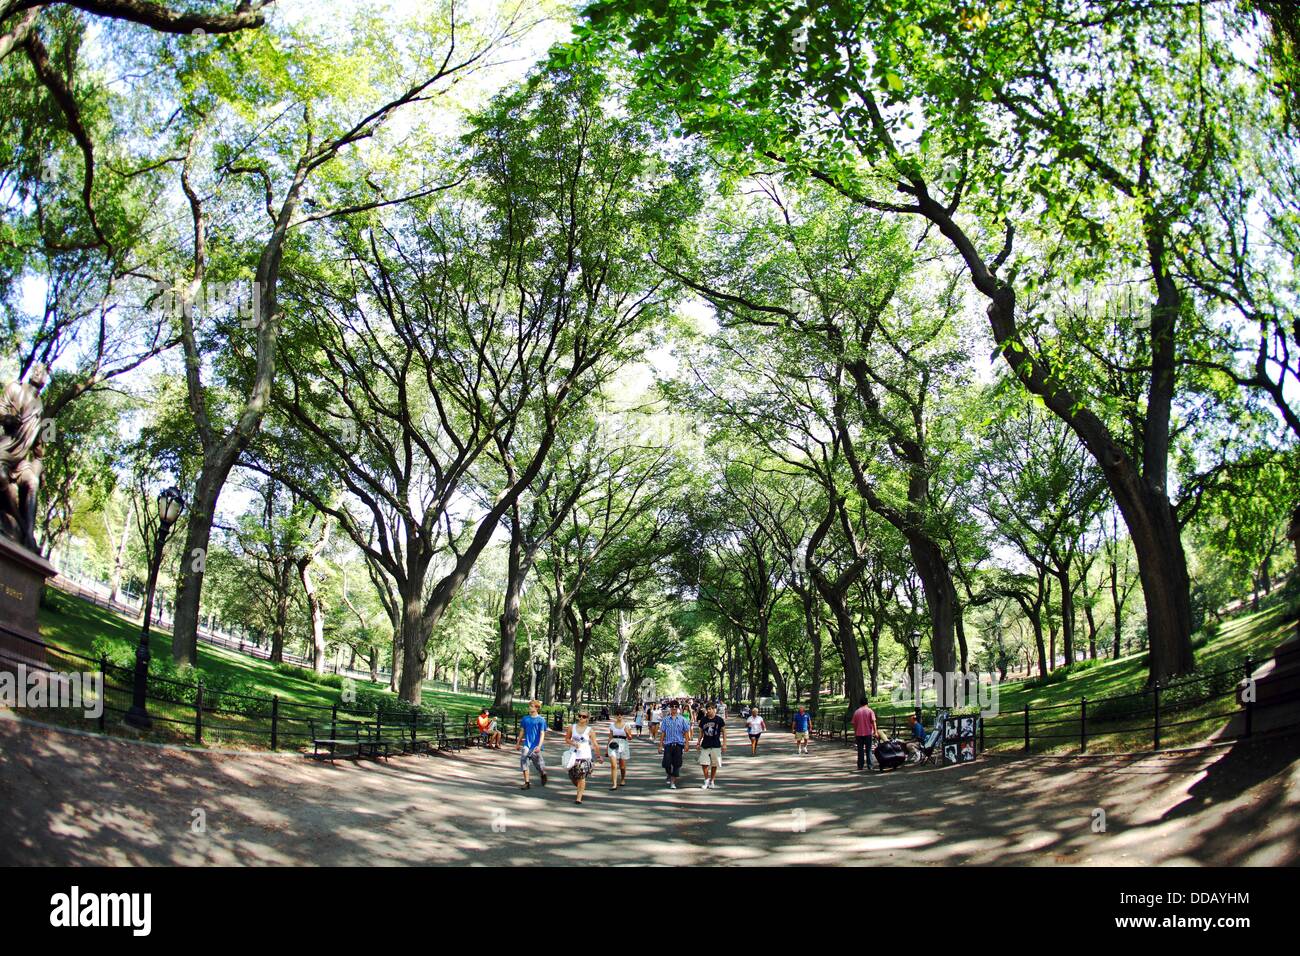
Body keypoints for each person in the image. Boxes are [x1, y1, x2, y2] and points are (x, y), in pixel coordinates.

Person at [565, 711, 601, 805]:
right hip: (573, 755)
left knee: (581, 776)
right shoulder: (571, 727)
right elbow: (567, 739)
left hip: (585, 756)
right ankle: (581, 788)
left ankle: (579, 798)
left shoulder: (590, 730)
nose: (581, 718)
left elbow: (595, 744)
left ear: (587, 718)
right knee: (573, 777)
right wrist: (573, 743)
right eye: (579, 716)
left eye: (584, 716)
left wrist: (598, 756)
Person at [516, 699, 549, 789]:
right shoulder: (525, 719)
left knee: (539, 765)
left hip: (536, 746)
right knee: (524, 760)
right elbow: (522, 731)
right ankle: (527, 782)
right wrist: (518, 743)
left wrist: (539, 745)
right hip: (527, 744)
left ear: (537, 708)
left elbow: (542, 734)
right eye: (529, 706)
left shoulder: (541, 720)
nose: (529, 708)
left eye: (531, 706)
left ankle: (543, 774)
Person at [658, 701, 691, 789]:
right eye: (672, 706)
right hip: (668, 744)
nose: (674, 708)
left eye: (676, 706)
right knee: (666, 763)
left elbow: (686, 732)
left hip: (679, 744)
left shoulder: (682, 719)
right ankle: (669, 773)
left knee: (677, 764)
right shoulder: (665, 720)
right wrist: (660, 745)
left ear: (678, 708)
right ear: (670, 708)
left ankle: (673, 782)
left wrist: (687, 744)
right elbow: (663, 733)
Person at [696, 702, 726, 790]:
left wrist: (724, 743)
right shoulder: (703, 720)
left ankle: (712, 780)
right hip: (705, 744)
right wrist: (698, 742)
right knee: (704, 763)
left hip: (716, 744)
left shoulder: (719, 720)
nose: (708, 711)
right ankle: (706, 780)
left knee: (714, 764)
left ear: (714, 709)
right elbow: (701, 732)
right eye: (707, 709)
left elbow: (724, 731)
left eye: (710, 709)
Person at [607, 709, 632, 790]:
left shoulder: (626, 725)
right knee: (614, 765)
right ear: (616, 716)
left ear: (623, 716)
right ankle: (614, 784)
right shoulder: (612, 725)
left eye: (621, 714)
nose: (619, 716)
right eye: (618, 714)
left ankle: (622, 779)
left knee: (622, 766)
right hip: (613, 744)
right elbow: (610, 736)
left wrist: (627, 732)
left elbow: (630, 737)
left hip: (623, 744)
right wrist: (607, 747)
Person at [852, 699, 878, 771]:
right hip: (868, 733)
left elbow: (854, 724)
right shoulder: (870, 711)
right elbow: (873, 722)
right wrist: (875, 732)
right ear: (867, 703)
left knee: (860, 750)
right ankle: (870, 765)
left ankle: (860, 765)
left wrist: (855, 732)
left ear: (860, 703)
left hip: (859, 734)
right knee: (868, 750)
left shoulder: (856, 712)